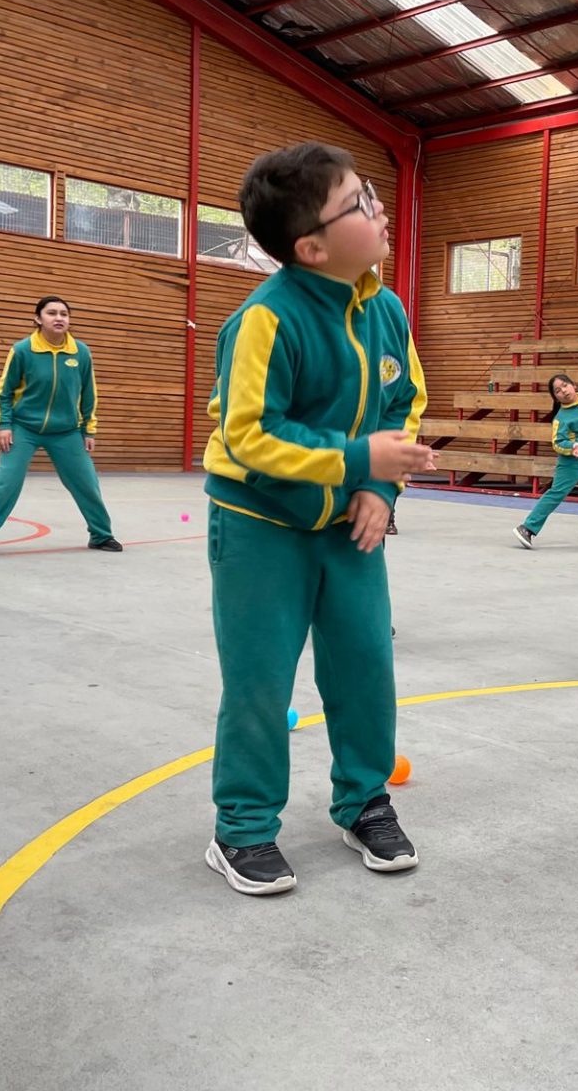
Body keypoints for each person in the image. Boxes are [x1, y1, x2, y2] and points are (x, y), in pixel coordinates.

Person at [202, 142, 431, 896]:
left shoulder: (385, 309)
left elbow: (403, 401)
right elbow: (249, 433)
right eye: (359, 203)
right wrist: (355, 460)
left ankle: (363, 801)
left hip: (351, 525)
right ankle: (242, 827)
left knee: (365, 667)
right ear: (311, 247)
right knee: (260, 682)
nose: (379, 208)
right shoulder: (265, 320)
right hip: (260, 523)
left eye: (371, 193)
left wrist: (381, 488)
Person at [0, 297, 121, 557]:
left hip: (67, 431)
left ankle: (101, 535)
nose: (59, 318)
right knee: (5, 484)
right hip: (24, 429)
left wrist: (89, 429)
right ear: (38, 319)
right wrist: (4, 424)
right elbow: (3, 392)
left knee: (87, 484)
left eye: (64, 313)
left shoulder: (80, 352)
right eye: (51, 313)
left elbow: (89, 393)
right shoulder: (23, 350)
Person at [514, 374, 578, 548]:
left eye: (565, 385)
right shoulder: (561, 418)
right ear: (555, 397)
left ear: (574, 385)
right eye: (558, 391)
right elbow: (558, 443)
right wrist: (574, 447)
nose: (564, 391)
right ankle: (527, 528)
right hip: (571, 463)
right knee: (556, 493)